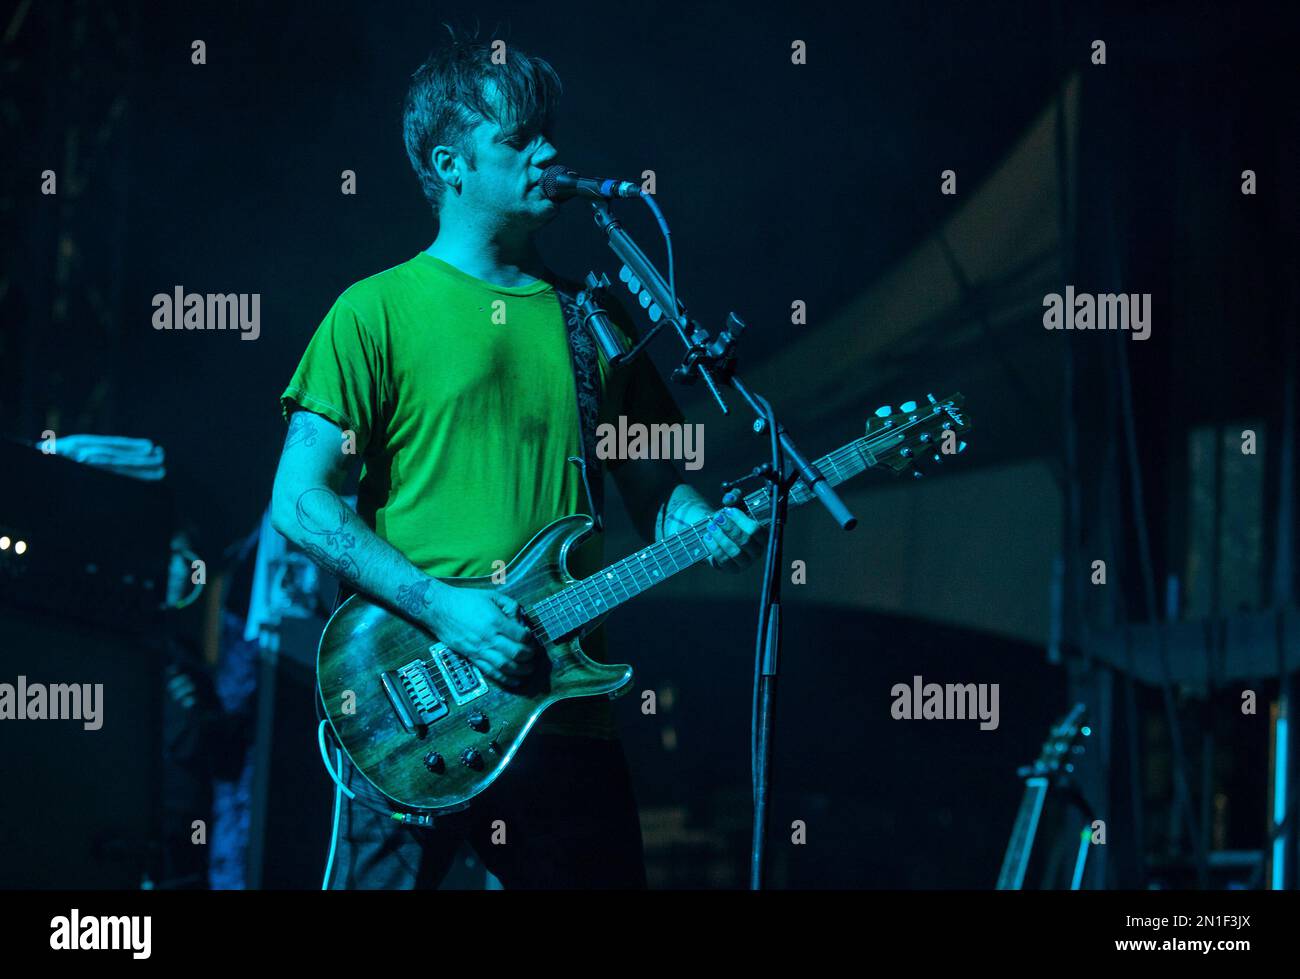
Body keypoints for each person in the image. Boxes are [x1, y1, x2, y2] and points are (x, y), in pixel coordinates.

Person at [270, 29, 762, 889]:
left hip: (562, 708)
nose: (548, 153)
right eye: (519, 138)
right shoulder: (373, 311)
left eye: (548, 134)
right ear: (451, 165)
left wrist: (705, 521)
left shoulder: (596, 319)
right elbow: (300, 501)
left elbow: (654, 489)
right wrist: (442, 606)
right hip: (408, 697)